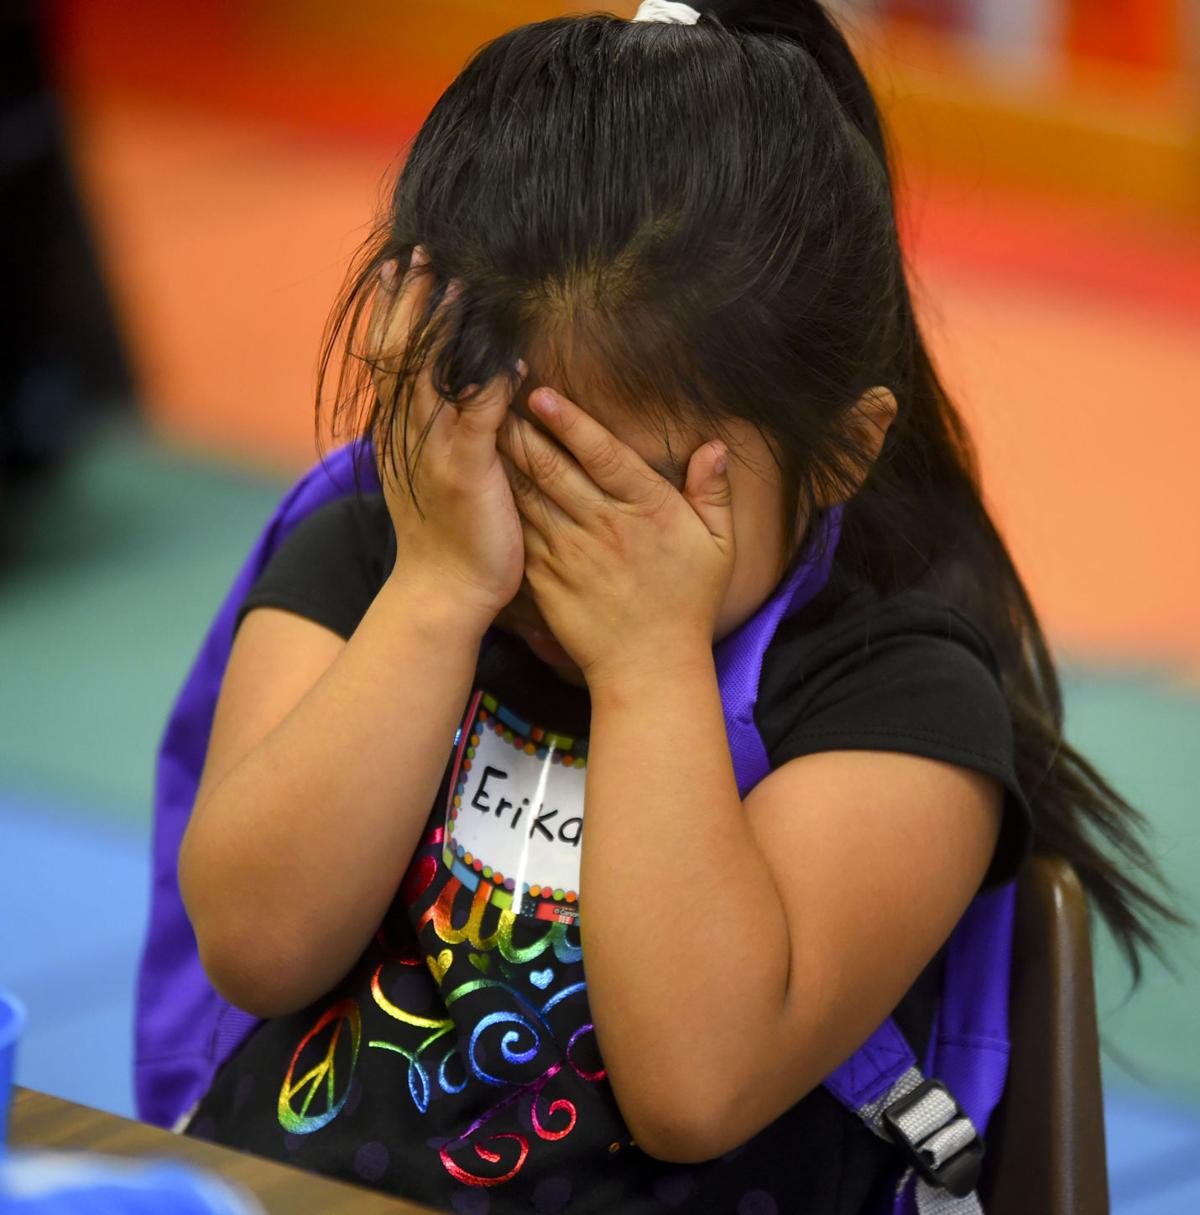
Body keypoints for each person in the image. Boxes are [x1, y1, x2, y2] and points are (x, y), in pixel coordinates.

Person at [174, 2, 1176, 1212]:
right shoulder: (381, 553)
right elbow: (255, 945)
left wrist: (648, 662)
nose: (549, 551)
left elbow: (697, 1084)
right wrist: (433, 595)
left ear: (844, 449)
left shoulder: (900, 701)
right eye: (516, 467)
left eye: (622, 495)